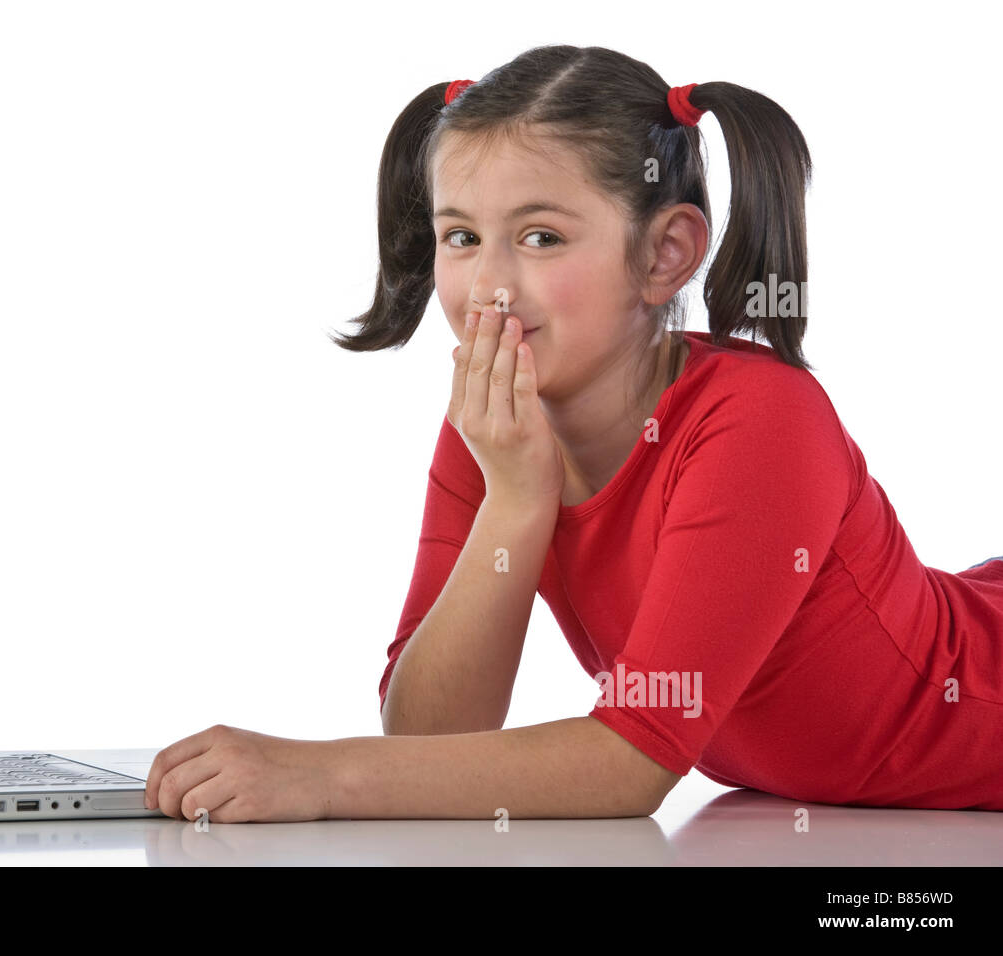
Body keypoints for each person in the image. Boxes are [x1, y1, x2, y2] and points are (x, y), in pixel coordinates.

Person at [141, 44, 1003, 822]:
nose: (490, 285)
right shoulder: (496, 431)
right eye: (462, 236)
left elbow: (630, 762)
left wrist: (322, 778)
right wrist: (517, 499)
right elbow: (430, 735)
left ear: (665, 255)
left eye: (541, 236)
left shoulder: (760, 420)